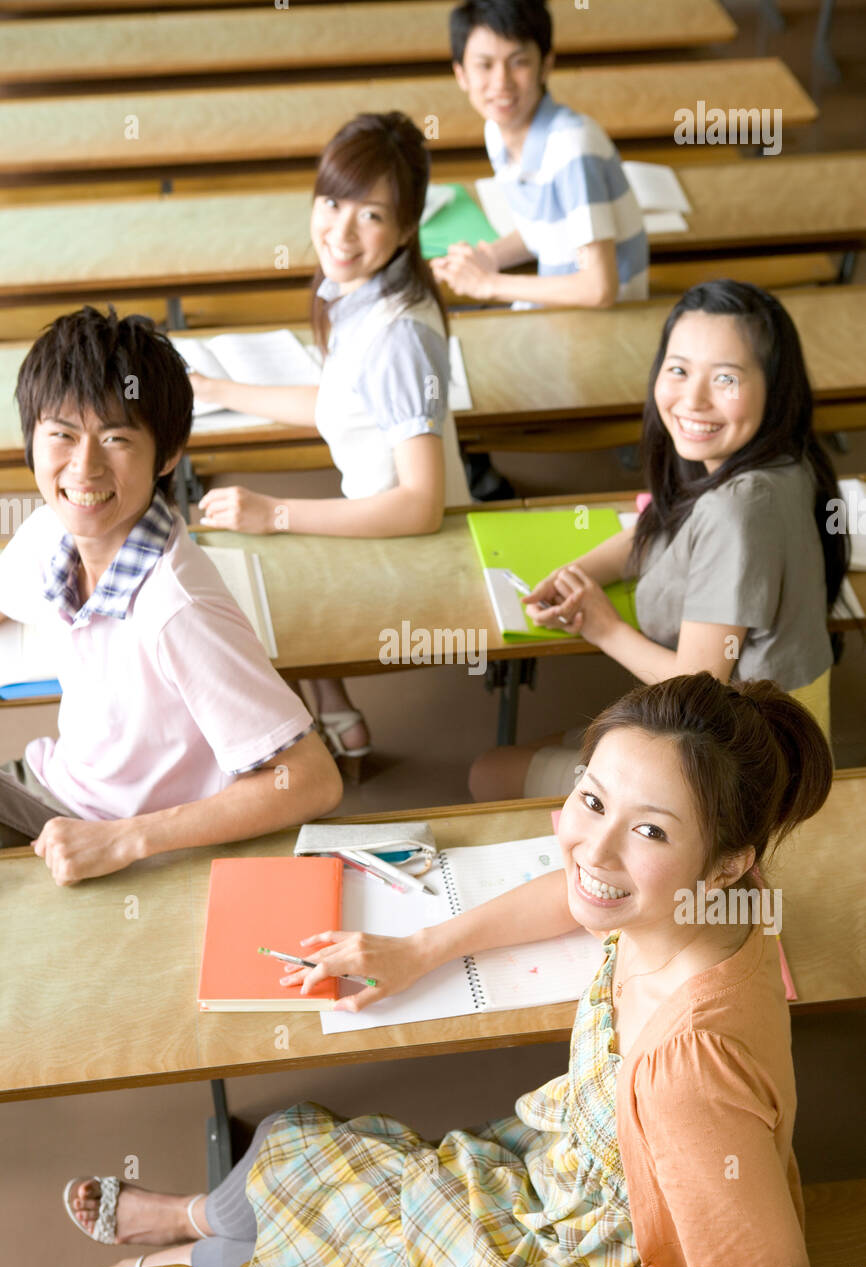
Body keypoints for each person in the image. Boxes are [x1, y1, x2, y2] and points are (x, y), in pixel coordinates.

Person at [63, 672, 829, 1267]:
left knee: (265, 1265)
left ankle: (173, 1260)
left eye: (650, 829)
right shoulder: (706, 899)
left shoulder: (685, 1067)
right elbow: (577, 890)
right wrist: (420, 948)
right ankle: (190, 1216)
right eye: (591, 800)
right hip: (561, 1182)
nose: (593, 848)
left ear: (729, 859)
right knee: (283, 1149)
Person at [469, 279, 849, 801]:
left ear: (774, 385)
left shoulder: (737, 510)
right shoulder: (781, 456)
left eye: (725, 378)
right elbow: (666, 526)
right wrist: (577, 573)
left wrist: (600, 626)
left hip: (734, 771)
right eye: (678, 369)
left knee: (490, 772)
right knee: (549, 750)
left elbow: (700, 683)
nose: (693, 399)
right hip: (780, 734)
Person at [0, 307, 342, 884]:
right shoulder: (51, 531)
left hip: (133, 842)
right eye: (61, 434)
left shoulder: (177, 608)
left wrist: (125, 840)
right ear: (31, 437)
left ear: (170, 452)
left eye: (115, 438)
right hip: (59, 784)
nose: (83, 468)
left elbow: (310, 778)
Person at [191, 112, 471, 775]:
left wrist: (278, 513)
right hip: (380, 516)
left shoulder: (400, 334)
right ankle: (328, 705)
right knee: (246, 553)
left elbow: (422, 505)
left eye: (370, 215)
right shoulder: (364, 292)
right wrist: (218, 388)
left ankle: (295, 750)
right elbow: (339, 403)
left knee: (234, 577)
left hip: (420, 544)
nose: (341, 229)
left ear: (406, 228)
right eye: (332, 202)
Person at [431, 0, 648, 308]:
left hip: (601, 324)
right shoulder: (496, 131)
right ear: (461, 74)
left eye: (518, 62)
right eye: (484, 65)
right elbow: (545, 230)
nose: (501, 82)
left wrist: (489, 284)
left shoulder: (573, 147)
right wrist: (488, 258)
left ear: (546, 65)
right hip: (561, 307)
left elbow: (600, 289)